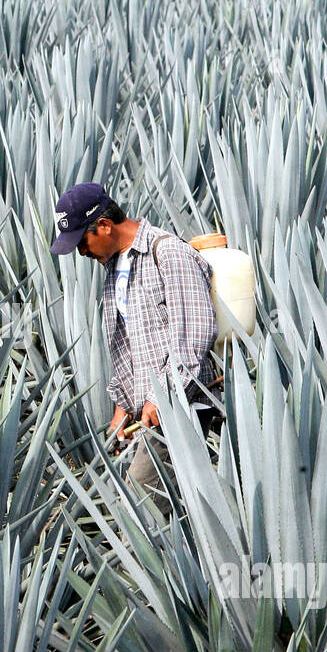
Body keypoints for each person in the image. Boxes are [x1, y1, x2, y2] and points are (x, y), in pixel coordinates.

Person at [50, 182, 222, 519]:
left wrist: (161, 396)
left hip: (183, 406)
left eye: (82, 242)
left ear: (104, 225)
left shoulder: (168, 252)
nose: (82, 253)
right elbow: (130, 345)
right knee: (164, 510)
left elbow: (194, 335)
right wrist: (123, 407)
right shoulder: (115, 267)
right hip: (152, 413)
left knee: (140, 513)